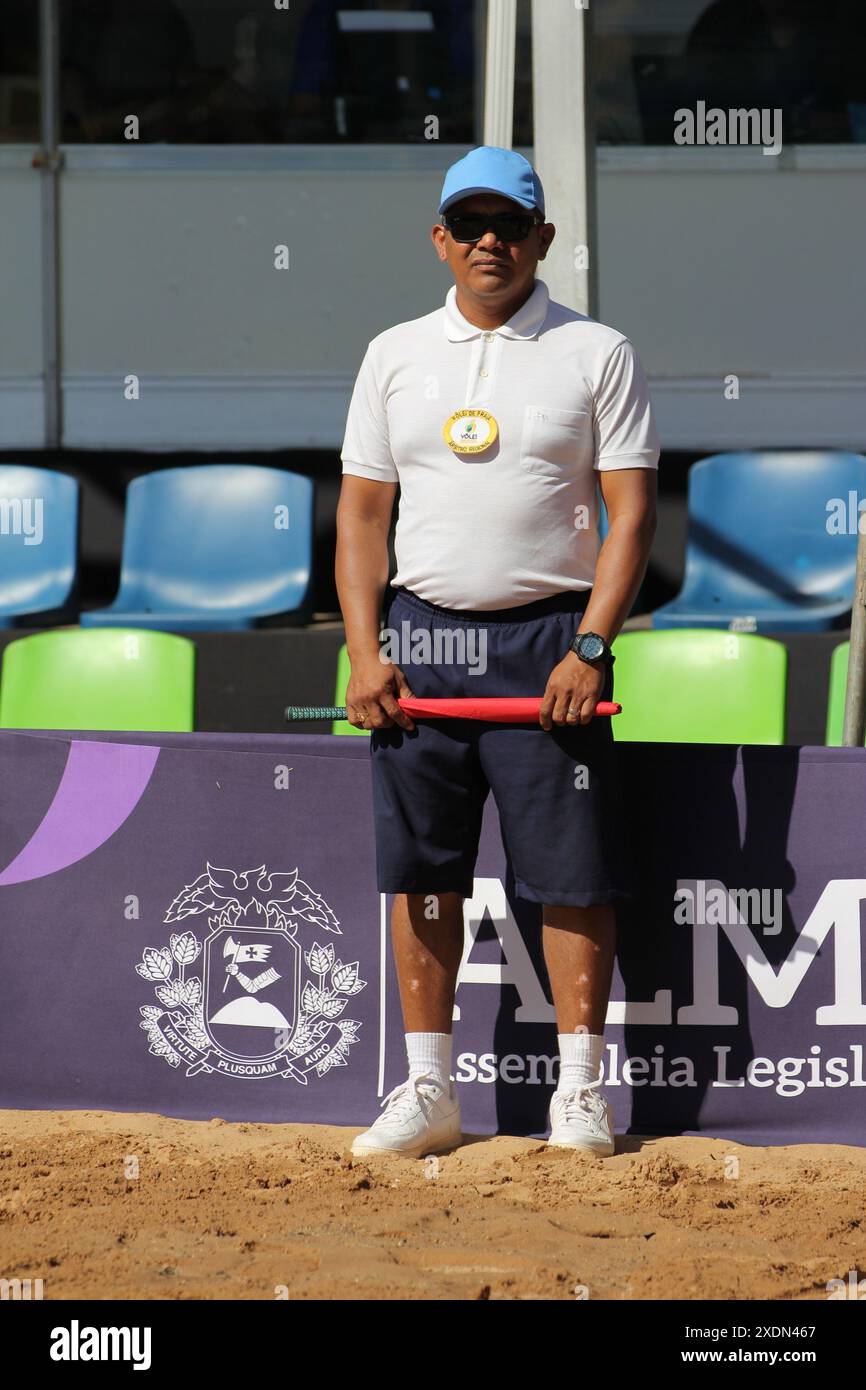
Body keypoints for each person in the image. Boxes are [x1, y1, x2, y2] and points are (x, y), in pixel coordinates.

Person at [336, 146, 659, 1160]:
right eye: (468, 224)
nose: (489, 242)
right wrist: (364, 649)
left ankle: (577, 1092)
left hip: (547, 641)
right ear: (438, 238)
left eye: (509, 225)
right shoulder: (392, 352)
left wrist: (592, 646)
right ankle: (430, 1087)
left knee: (571, 875)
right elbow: (360, 514)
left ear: (541, 240)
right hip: (418, 639)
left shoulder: (594, 350)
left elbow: (632, 514)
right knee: (422, 870)